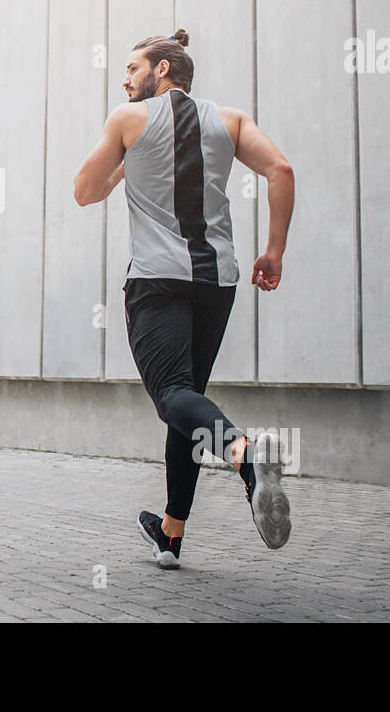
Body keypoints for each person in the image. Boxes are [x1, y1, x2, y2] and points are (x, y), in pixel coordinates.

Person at [73, 28, 294, 569]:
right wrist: (274, 253)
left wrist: (127, 156)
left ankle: (243, 453)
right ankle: (170, 533)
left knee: (171, 393)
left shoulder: (127, 120)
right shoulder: (232, 120)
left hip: (157, 280)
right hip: (217, 282)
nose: (125, 78)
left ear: (162, 70)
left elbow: (84, 191)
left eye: (132, 69)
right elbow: (281, 171)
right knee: (188, 400)